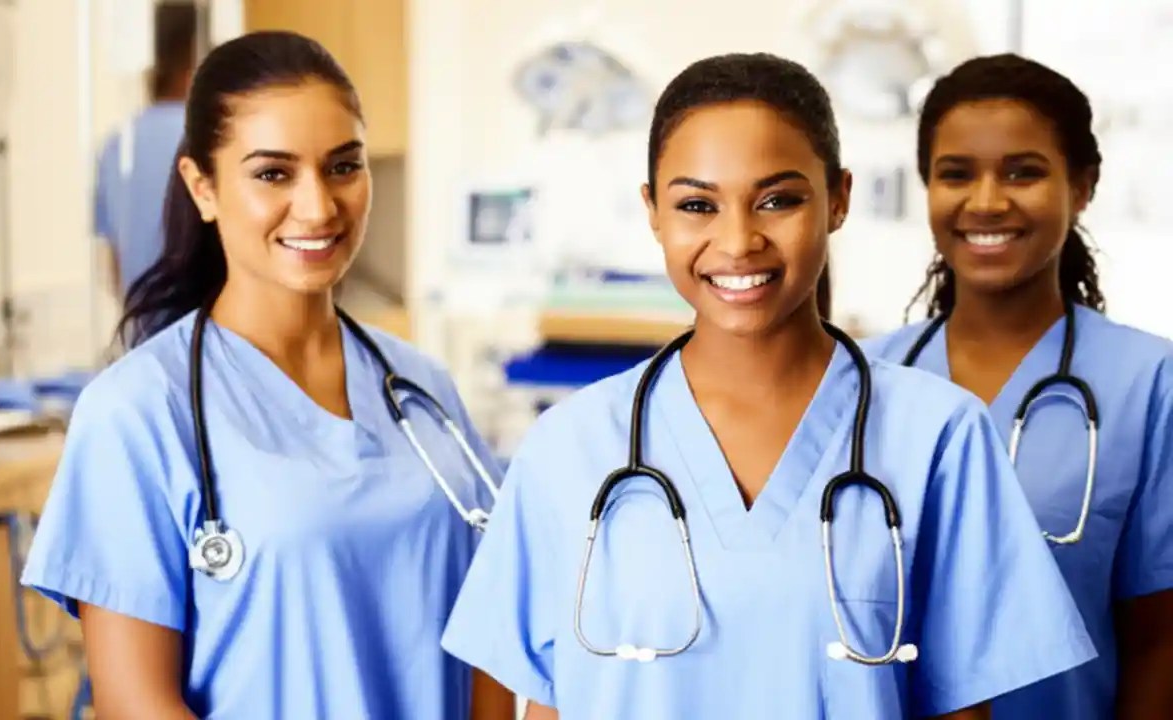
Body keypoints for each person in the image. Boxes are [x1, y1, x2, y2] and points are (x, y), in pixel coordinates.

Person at [440, 52, 1098, 720]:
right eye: (697, 204)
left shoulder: (939, 437)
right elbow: (532, 699)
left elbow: (964, 707)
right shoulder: (567, 448)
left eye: (777, 200)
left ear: (838, 198)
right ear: (653, 212)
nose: (737, 241)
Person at [22, 31, 513, 720]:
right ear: (203, 186)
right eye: (273, 173)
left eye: (343, 166)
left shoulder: (424, 387)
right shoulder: (136, 412)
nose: (318, 207)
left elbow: (486, 636)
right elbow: (136, 704)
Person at [863, 54, 1173, 720]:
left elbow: (1160, 641)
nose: (986, 201)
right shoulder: (858, 382)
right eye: (956, 174)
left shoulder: (1150, 385)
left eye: (1022, 172)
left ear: (1082, 186)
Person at [94, 2, 195, 301]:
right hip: (203, 328)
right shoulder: (206, 137)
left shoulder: (117, 146)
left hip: (144, 332)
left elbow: (117, 265)